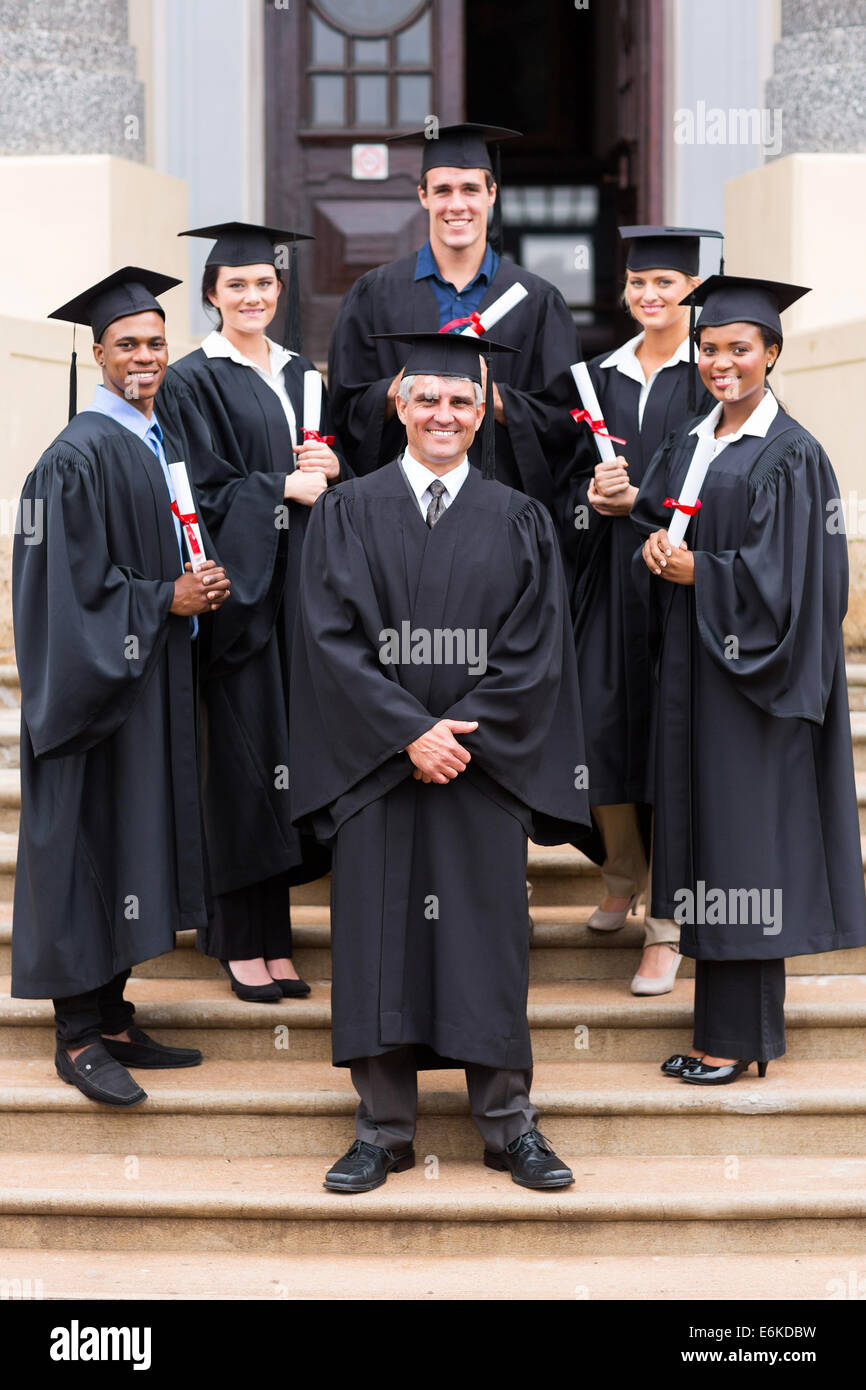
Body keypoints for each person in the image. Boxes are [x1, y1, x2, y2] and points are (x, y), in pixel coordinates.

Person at [290, 332, 591, 1191]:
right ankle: (381, 1130)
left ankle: (509, 1124)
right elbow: (328, 643)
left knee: (486, 942)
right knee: (376, 940)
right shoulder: (347, 512)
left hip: (481, 772)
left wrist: (457, 734)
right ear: (397, 405)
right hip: (377, 770)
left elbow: (537, 653)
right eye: (427, 399)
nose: (443, 415)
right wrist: (404, 734)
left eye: (461, 401)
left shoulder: (519, 517)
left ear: (480, 409)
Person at [632, 274, 866, 1083]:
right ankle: (723, 1031)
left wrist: (703, 573)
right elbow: (663, 516)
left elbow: (803, 580)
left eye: (739, 348)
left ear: (772, 352)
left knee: (742, 855)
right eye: (709, 348)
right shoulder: (698, 440)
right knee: (710, 849)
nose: (720, 362)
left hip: (754, 680)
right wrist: (652, 541)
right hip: (698, 673)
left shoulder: (790, 454)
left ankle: (738, 1040)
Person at [12, 267, 232, 1107]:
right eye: (126, 344)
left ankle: (111, 1015)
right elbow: (60, 600)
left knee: (126, 846)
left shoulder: (153, 438)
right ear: (97, 351)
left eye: (155, 342)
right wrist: (163, 599)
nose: (144, 356)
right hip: (92, 700)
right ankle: (75, 1037)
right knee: (86, 853)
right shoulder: (75, 458)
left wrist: (197, 585)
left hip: (142, 688)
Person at [162, 222, 342, 1004]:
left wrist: (331, 469)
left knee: (285, 763)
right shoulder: (190, 378)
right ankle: (238, 938)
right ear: (211, 295)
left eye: (265, 284)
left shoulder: (303, 373)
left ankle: (276, 937)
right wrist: (276, 488)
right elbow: (193, 487)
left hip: (299, 592)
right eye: (236, 285)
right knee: (240, 762)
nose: (253, 297)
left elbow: (324, 472)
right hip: (240, 600)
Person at [566, 226, 722, 997]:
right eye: (638, 283)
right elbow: (566, 480)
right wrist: (593, 503)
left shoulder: (714, 373)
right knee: (597, 728)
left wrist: (649, 505)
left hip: (680, 587)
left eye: (666, 282)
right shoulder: (598, 376)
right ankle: (622, 871)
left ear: (693, 290)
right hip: (609, 583)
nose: (650, 295)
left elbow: (730, 480)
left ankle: (666, 925)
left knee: (671, 745)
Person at [327, 123, 579, 509]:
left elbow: (567, 422)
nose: (457, 205)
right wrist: (398, 390)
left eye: (470, 190)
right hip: (396, 516)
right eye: (443, 190)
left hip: (504, 517)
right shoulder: (373, 294)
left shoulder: (538, 301)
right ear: (423, 196)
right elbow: (343, 414)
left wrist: (491, 400)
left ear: (491, 194)